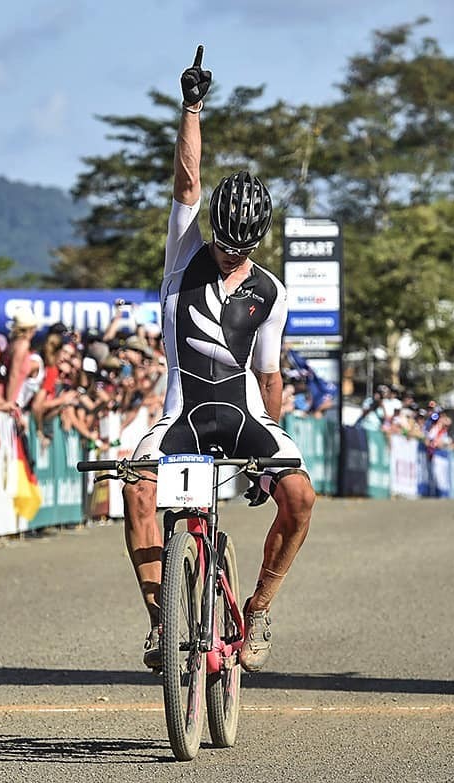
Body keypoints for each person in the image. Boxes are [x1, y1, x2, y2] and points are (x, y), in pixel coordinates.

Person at [123, 46, 316, 674]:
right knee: (137, 491)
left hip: (243, 416)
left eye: (243, 247)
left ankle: (258, 609)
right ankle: (162, 619)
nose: (231, 254)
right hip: (182, 414)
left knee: (301, 496)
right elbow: (187, 179)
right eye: (225, 242)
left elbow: (268, 376)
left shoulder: (271, 292)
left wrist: (271, 457)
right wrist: (192, 109)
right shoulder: (184, 254)